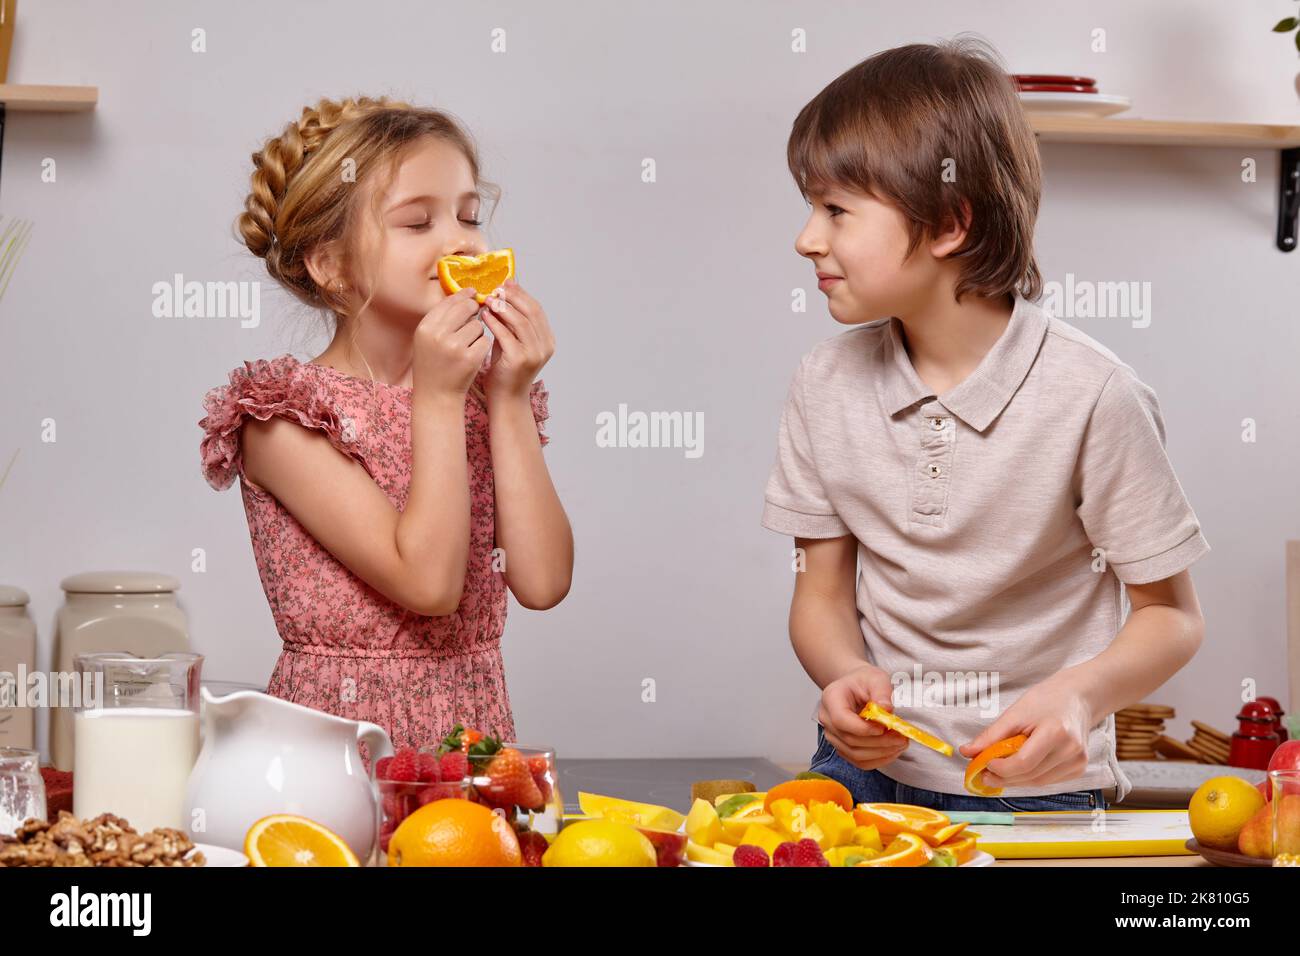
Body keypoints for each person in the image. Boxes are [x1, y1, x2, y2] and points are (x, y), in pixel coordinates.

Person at [761, 38, 1208, 811]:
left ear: (947, 225)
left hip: (1035, 787)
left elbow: (1171, 616)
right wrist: (842, 673)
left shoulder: (1094, 394)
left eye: (835, 210)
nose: (807, 238)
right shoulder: (823, 382)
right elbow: (820, 594)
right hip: (865, 776)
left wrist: (1076, 699)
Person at [199, 96, 572, 759]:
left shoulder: (482, 399)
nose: (460, 241)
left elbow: (543, 582)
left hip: (474, 746)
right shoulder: (284, 419)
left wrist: (509, 396)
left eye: (468, 215)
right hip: (338, 758)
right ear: (331, 265)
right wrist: (436, 399)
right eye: (417, 222)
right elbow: (428, 586)